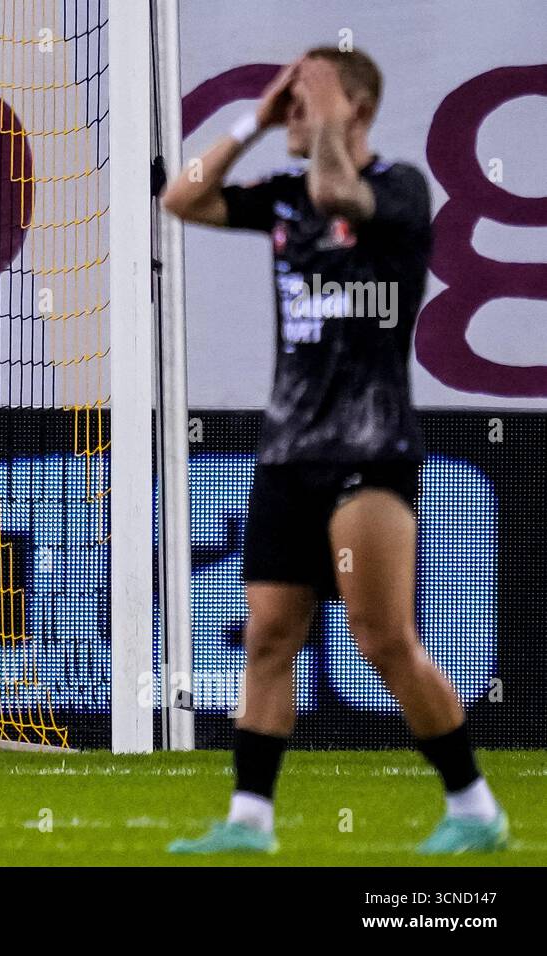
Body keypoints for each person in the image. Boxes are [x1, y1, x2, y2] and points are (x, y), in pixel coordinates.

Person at [160, 48, 507, 854]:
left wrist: (326, 115)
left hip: (371, 452)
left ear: (356, 110)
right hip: (288, 454)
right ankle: (250, 822)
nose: (291, 115)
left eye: (305, 102)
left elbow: (335, 190)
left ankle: (475, 807)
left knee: (381, 638)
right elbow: (181, 195)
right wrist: (258, 115)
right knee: (268, 635)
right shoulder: (283, 199)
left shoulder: (400, 190)